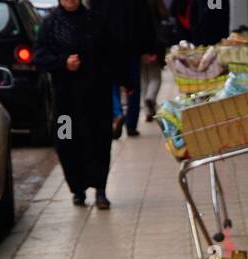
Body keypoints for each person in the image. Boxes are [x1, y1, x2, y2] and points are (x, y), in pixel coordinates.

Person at [36, 0, 122, 210]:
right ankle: (77, 189)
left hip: (96, 100)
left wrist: (123, 81)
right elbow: (40, 56)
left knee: (100, 141)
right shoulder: (50, 24)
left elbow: (112, 54)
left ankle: (100, 189)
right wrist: (63, 62)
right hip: (65, 104)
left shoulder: (96, 21)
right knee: (66, 142)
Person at [90, 0, 157, 138]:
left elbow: (93, 17)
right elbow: (145, 18)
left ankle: (117, 114)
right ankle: (131, 125)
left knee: (111, 82)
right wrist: (149, 47)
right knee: (133, 86)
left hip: (108, 45)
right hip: (132, 45)